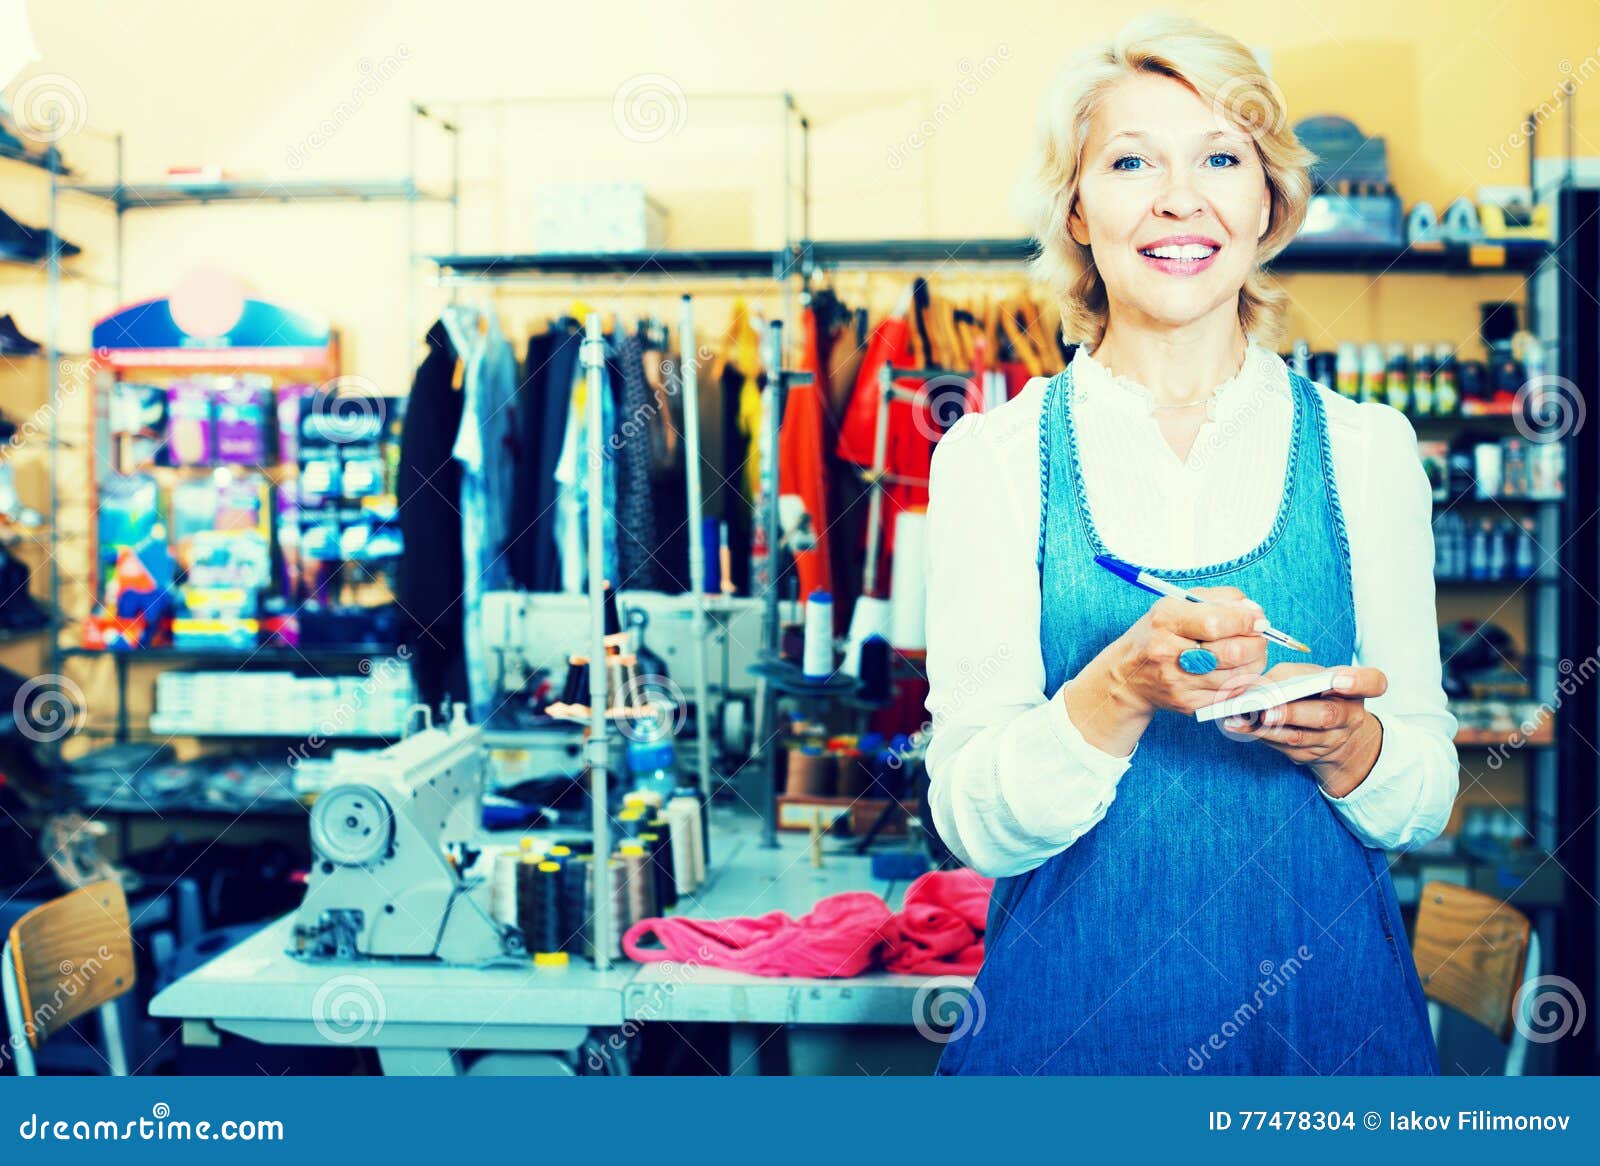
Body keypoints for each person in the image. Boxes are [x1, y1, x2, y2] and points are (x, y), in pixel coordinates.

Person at [923, 13, 1457, 1075]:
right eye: (1130, 162)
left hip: (1327, 1044)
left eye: (1221, 156)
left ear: (1268, 199)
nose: (1180, 198)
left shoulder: (1367, 449)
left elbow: (1427, 792)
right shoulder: (990, 456)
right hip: (1068, 1047)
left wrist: (1345, 742)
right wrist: (1116, 688)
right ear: (1076, 207)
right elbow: (971, 823)